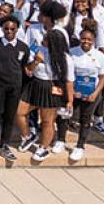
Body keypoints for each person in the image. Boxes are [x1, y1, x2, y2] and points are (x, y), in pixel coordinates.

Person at [16, 27, 75, 163]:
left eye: (46, 39)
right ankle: (28, 136)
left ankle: (43, 148)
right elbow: (29, 70)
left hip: (52, 87)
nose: (42, 40)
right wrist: (36, 61)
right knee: (19, 112)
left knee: (47, 121)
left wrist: (69, 101)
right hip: (35, 84)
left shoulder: (66, 59)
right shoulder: (39, 51)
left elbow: (69, 81)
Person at [0, 15, 30, 161]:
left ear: (17, 29)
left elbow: (23, 68)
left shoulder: (23, 47)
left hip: (14, 86)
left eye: (12, 29)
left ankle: (4, 145)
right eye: (6, 28)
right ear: (2, 29)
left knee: (9, 117)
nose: (9, 31)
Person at [64, 20, 104, 162]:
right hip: (74, 93)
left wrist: (95, 94)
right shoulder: (72, 53)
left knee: (85, 120)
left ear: (94, 40)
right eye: (83, 38)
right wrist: (71, 93)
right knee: (65, 116)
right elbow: (67, 74)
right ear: (79, 38)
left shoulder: (99, 56)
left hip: (91, 94)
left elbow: (103, 77)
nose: (86, 41)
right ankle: (59, 140)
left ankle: (80, 146)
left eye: (89, 39)